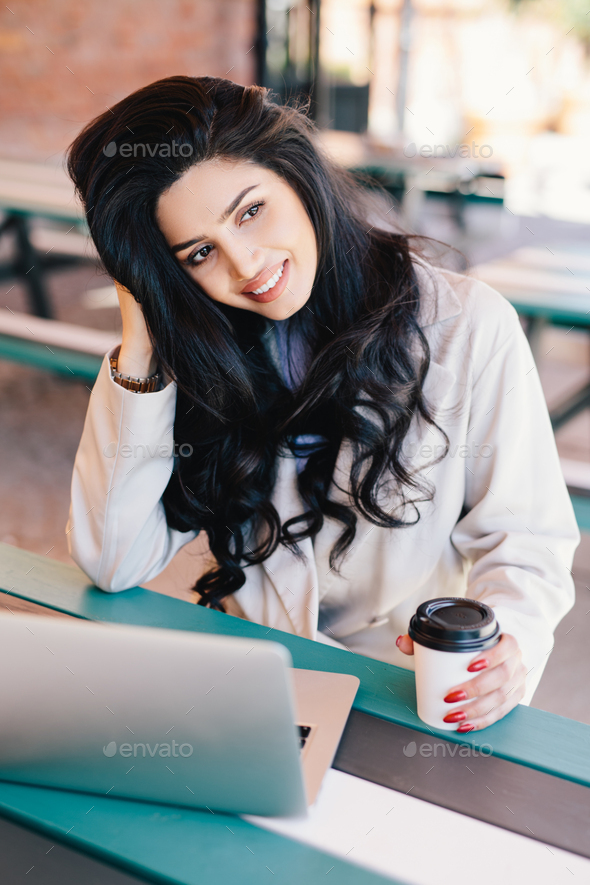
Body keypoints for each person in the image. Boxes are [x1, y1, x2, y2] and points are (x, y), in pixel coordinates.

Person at [65, 75, 580, 733]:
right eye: (200, 253)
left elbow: (527, 537)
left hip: (402, 694)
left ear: (297, 175)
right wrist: (140, 340)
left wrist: (511, 644)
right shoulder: (196, 347)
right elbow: (112, 561)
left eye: (250, 211)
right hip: (254, 692)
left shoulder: (467, 325)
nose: (246, 265)